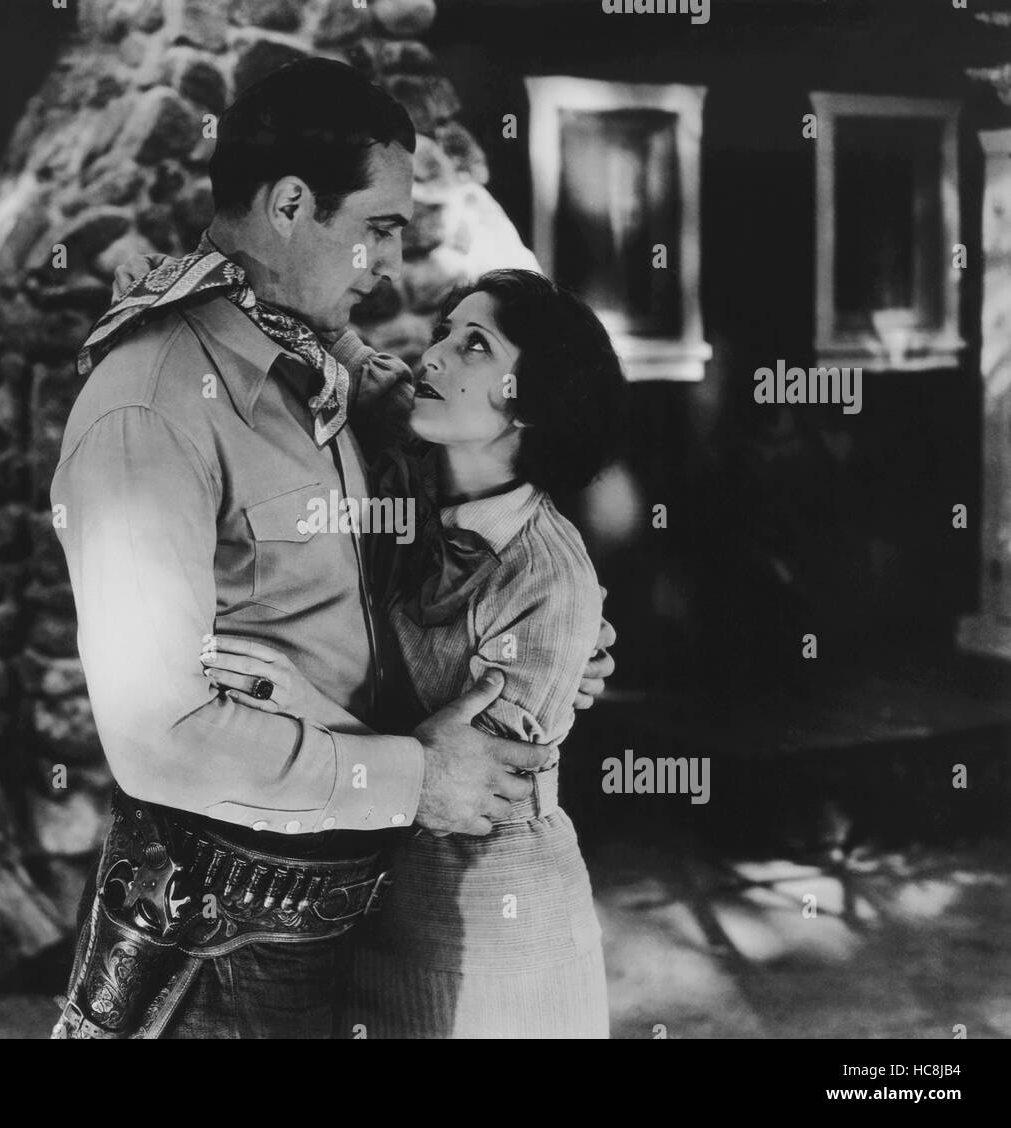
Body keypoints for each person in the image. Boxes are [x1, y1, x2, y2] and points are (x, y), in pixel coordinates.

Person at [49, 58, 615, 1040]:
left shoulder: (321, 372)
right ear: (292, 204)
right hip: (215, 941)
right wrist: (412, 775)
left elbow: (442, 539)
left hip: (343, 921)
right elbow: (157, 739)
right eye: (376, 229)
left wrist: (556, 638)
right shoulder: (150, 405)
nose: (389, 265)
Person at [202, 269, 626, 1036]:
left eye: (474, 345)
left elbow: (468, 782)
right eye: (444, 333)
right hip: (374, 896)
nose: (433, 356)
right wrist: (176, 286)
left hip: (495, 917)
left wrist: (299, 703)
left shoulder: (551, 578)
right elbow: (334, 340)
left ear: (528, 399)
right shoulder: (408, 465)